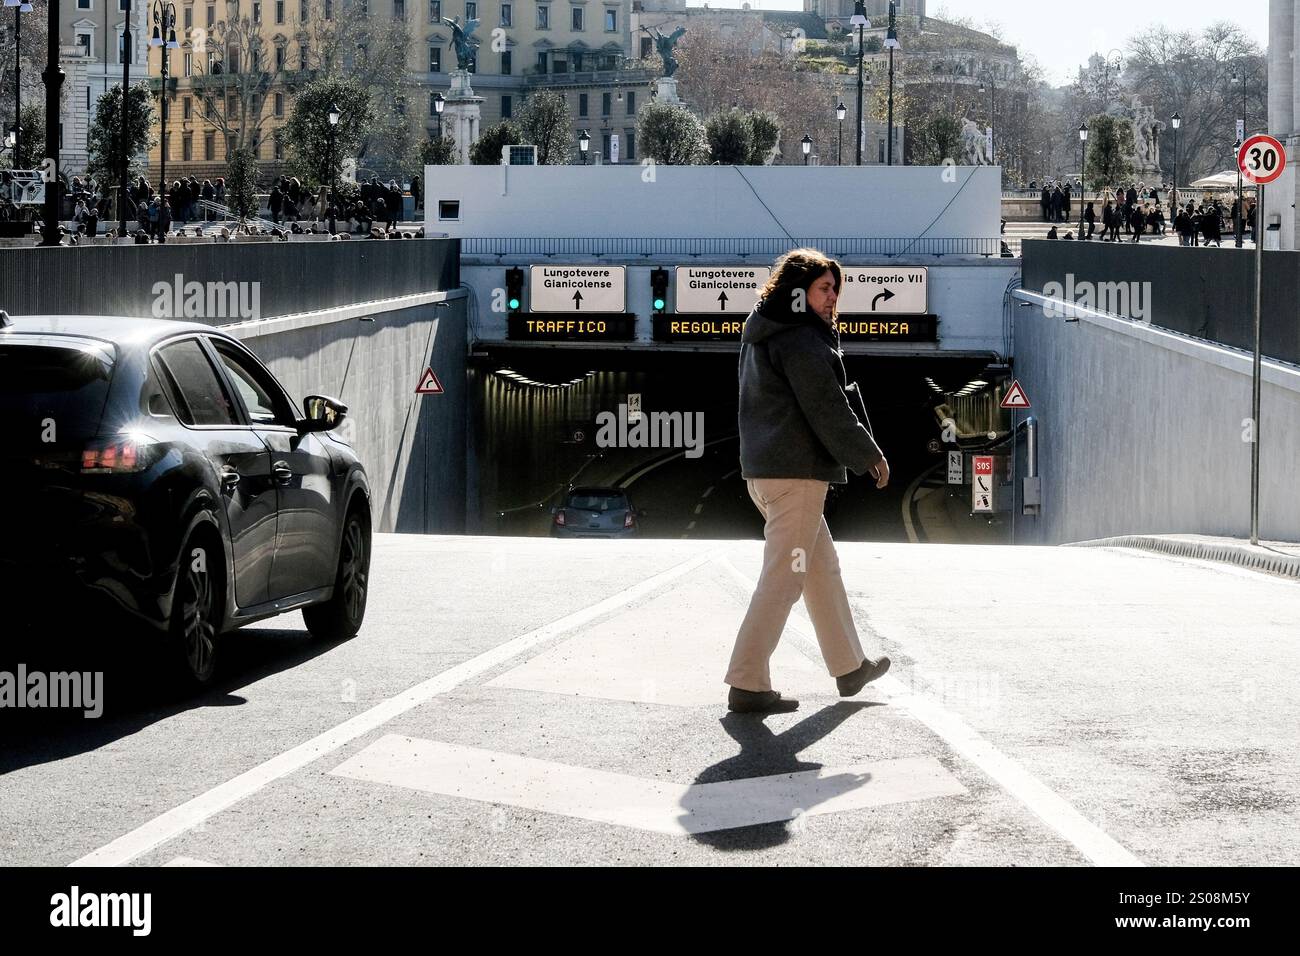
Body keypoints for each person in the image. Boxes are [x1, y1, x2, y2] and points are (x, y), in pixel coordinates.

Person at [728, 248, 892, 714]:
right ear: (796, 290)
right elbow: (826, 406)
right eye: (824, 288)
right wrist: (868, 454)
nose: (832, 298)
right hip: (795, 476)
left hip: (766, 471)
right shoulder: (800, 339)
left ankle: (849, 666)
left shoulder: (763, 328)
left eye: (835, 289)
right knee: (785, 578)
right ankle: (746, 681)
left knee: (821, 569)